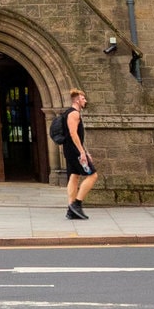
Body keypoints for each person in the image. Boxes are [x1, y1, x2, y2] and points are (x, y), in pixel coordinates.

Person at [55, 89, 98, 219]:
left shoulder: (69, 113)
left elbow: (78, 136)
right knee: (92, 175)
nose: (85, 101)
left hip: (71, 150)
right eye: (83, 99)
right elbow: (73, 134)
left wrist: (86, 151)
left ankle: (71, 210)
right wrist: (82, 153)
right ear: (77, 100)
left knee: (74, 176)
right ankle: (77, 204)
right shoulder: (74, 114)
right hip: (74, 151)